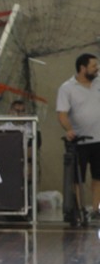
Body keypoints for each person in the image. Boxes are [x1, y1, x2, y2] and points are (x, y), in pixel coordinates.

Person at [57, 53, 100, 218]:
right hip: (80, 141)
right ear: (83, 68)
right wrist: (68, 129)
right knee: (78, 178)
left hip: (99, 139)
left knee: (98, 176)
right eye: (93, 66)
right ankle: (80, 208)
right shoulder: (67, 88)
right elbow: (62, 114)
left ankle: (96, 209)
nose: (97, 69)